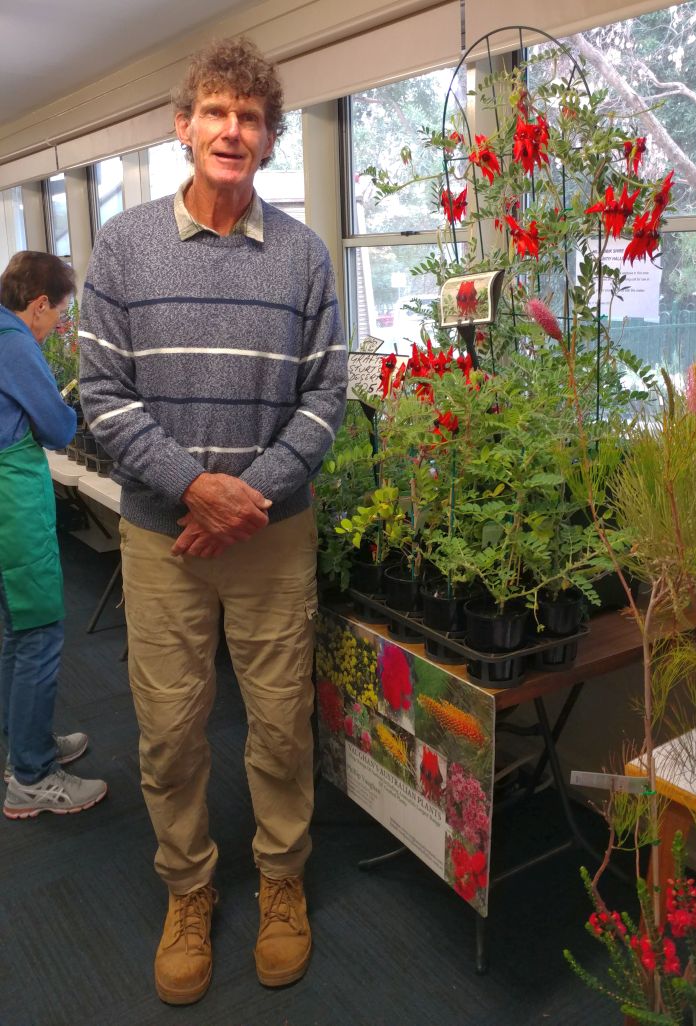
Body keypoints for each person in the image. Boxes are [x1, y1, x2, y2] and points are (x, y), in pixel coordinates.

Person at [78, 37, 347, 1005]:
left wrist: (249, 497)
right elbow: (101, 392)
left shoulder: (305, 256)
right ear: (182, 127)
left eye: (251, 117)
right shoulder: (124, 247)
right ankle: (187, 889)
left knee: (278, 725)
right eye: (215, 113)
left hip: (271, 536)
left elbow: (328, 393)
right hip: (165, 539)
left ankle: (281, 882)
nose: (232, 130)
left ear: (269, 138)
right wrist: (195, 491)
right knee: (169, 730)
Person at [0, 251, 108, 819]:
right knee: (39, 632)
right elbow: (58, 426)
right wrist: (68, 405)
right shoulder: (14, 342)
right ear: (37, 304)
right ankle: (32, 779)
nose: (59, 326)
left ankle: (25, 748)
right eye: (60, 315)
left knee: (18, 634)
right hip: (10, 503)